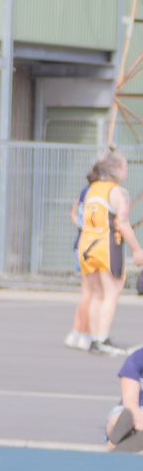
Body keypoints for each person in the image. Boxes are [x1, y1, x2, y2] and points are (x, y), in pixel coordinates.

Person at [77, 152, 143, 356]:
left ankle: (95, 338)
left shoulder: (92, 189)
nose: (127, 170)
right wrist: (137, 249)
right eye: (125, 166)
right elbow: (122, 223)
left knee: (96, 294)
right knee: (111, 294)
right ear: (116, 169)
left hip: (86, 244)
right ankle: (102, 338)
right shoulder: (117, 192)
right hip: (106, 245)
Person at [64, 166, 97, 351]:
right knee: (91, 295)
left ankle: (76, 332)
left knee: (86, 293)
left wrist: (81, 226)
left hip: (81, 244)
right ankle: (85, 334)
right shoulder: (96, 194)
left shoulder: (84, 192)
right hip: (90, 247)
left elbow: (73, 213)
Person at [104, 347, 143, 452]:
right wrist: (136, 416)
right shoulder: (137, 358)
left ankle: (115, 448)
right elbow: (130, 402)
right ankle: (114, 443)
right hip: (132, 408)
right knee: (122, 417)